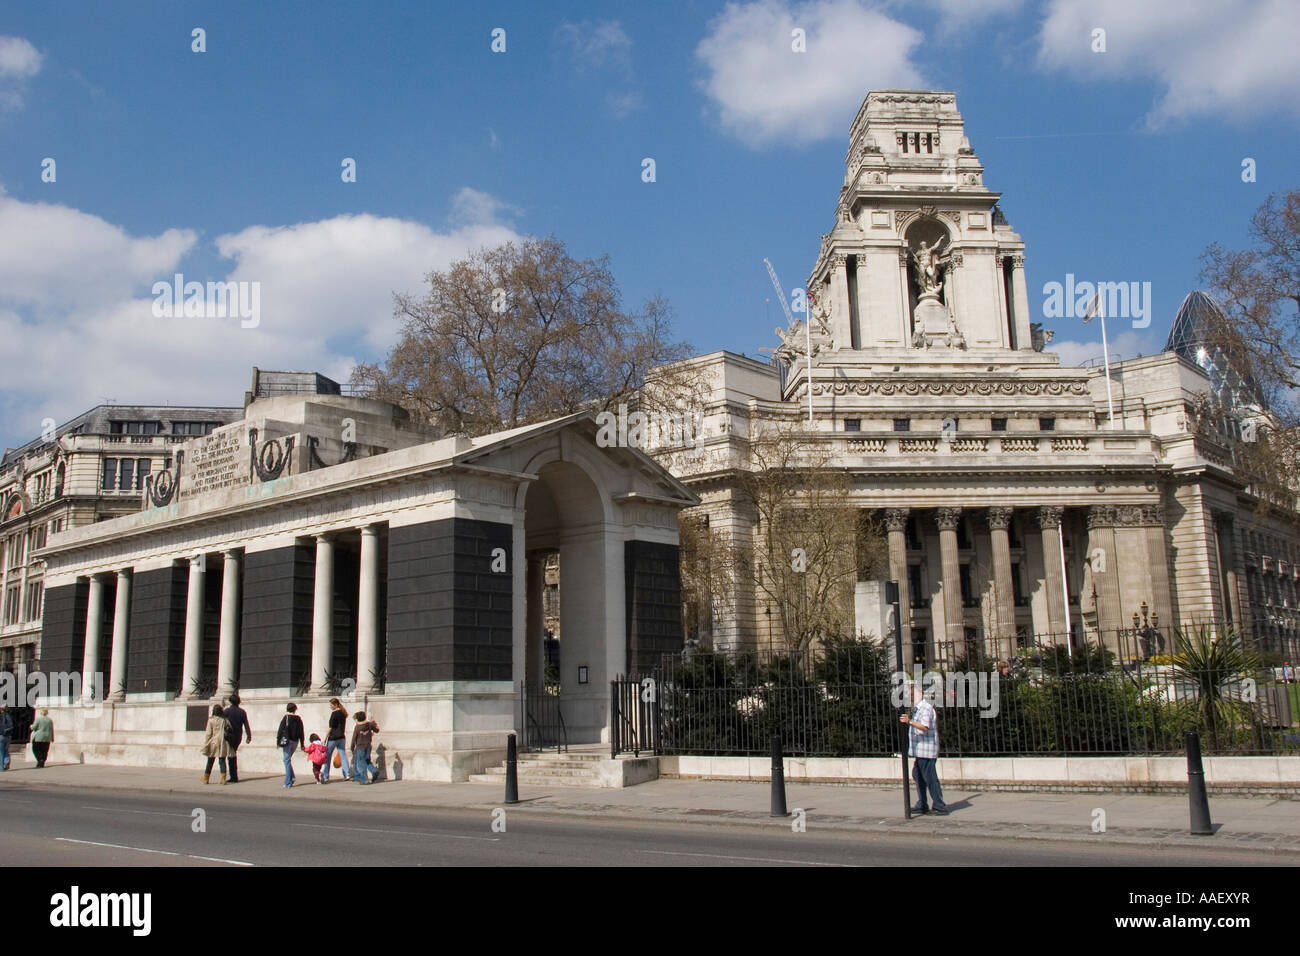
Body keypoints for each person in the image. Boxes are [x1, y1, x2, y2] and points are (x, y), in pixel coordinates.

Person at [900, 682, 948, 815]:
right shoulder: (918, 708)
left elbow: (924, 727)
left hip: (926, 750)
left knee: (930, 777)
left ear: (919, 693)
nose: (909, 696)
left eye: (911, 693)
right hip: (920, 750)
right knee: (918, 775)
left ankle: (939, 805)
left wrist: (909, 721)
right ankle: (922, 804)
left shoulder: (925, 708)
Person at [276, 702, 307, 788]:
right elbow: (301, 732)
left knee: (286, 760)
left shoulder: (286, 718)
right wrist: (302, 744)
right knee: (288, 760)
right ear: (295, 709)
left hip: (287, 740)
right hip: (295, 741)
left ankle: (288, 782)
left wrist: (278, 741)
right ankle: (292, 777)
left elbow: (280, 730)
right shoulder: (298, 719)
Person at [223, 692, 252, 783]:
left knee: (230, 756)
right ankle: (234, 775)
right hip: (238, 736)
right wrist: (249, 736)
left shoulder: (227, 711)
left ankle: (233, 776)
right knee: (233, 754)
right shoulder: (242, 712)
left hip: (229, 736)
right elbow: (246, 724)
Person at [200, 704, 232, 784]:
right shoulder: (224, 719)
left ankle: (206, 778)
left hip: (213, 741)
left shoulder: (211, 720)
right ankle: (223, 778)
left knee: (210, 761)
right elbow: (230, 728)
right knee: (222, 760)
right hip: (222, 742)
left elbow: (208, 733)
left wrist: (206, 743)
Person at [322, 697, 350, 783]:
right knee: (343, 755)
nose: (330, 706)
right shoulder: (343, 713)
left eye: (331, 705)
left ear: (335, 705)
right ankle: (346, 774)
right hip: (341, 737)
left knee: (327, 756)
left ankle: (325, 776)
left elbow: (331, 727)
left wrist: (325, 738)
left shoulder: (334, 714)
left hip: (333, 737)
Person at [350, 711, 380, 784]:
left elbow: (354, 738)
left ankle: (364, 779)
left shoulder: (357, 727)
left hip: (360, 747)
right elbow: (377, 730)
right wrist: (374, 723)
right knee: (367, 760)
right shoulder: (369, 724)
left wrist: (352, 747)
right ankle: (374, 771)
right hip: (368, 746)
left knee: (361, 764)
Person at [0, 706, 12, 771]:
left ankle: (1, 767)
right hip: (8, 736)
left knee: (1, 752)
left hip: (1, 735)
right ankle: (6, 762)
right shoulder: (8, 716)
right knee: (6, 750)